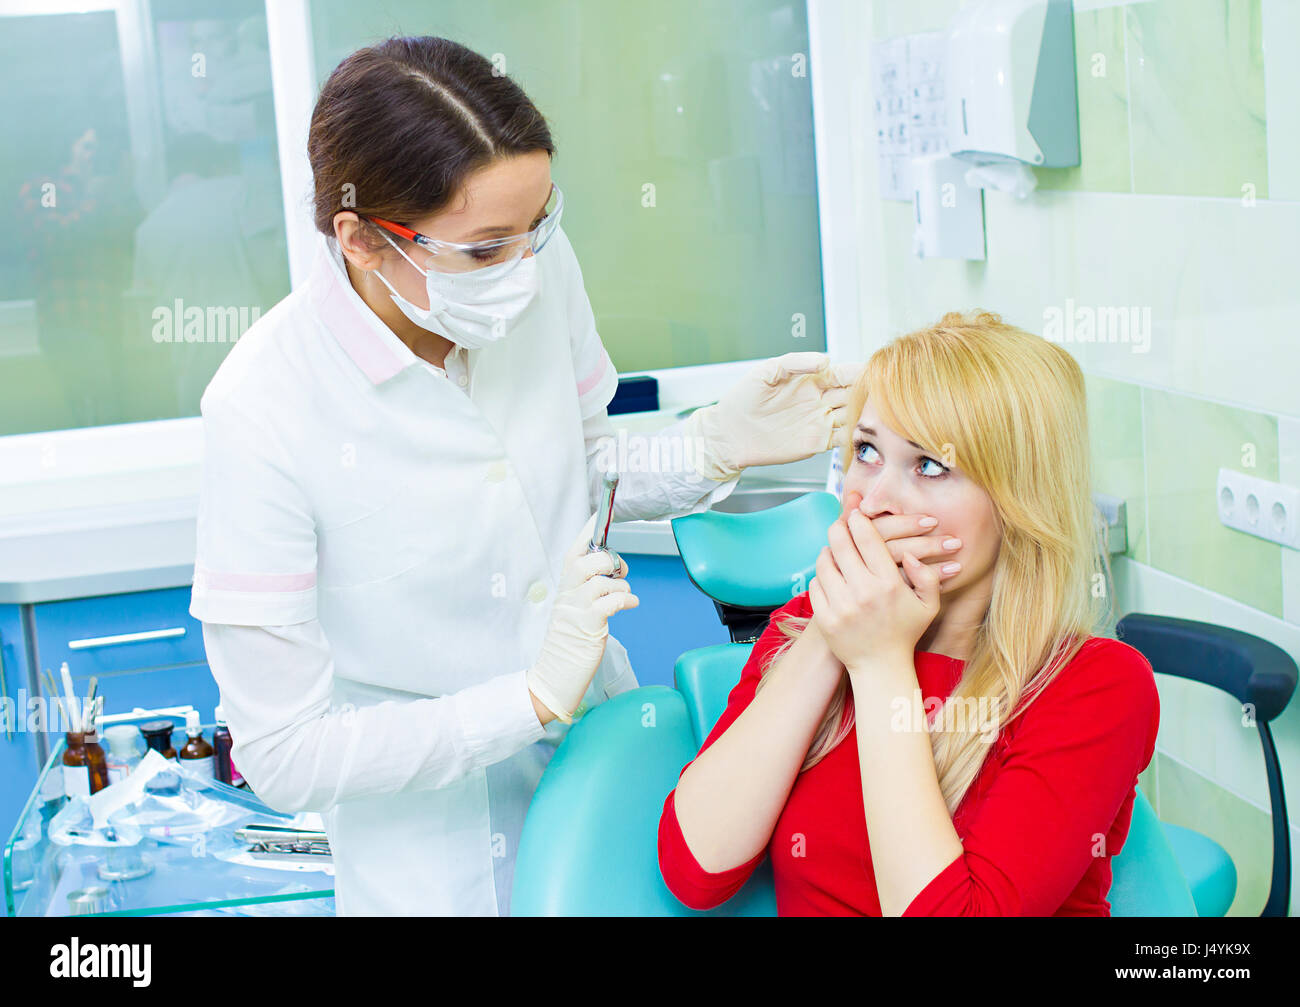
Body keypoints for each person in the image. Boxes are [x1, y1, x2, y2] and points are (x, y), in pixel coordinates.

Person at [187, 36, 854, 916]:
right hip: (436, 858)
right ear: (360, 239)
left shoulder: (533, 270)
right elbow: (284, 755)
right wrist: (526, 699)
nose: (526, 268)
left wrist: (709, 445)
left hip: (612, 773)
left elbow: (575, 473)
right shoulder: (262, 408)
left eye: (540, 225)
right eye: (485, 248)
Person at [659, 310, 1160, 916]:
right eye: (867, 451)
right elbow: (696, 871)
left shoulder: (1094, 685)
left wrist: (878, 666)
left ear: (1017, 501)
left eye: (928, 466)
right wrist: (827, 638)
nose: (872, 500)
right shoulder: (806, 625)